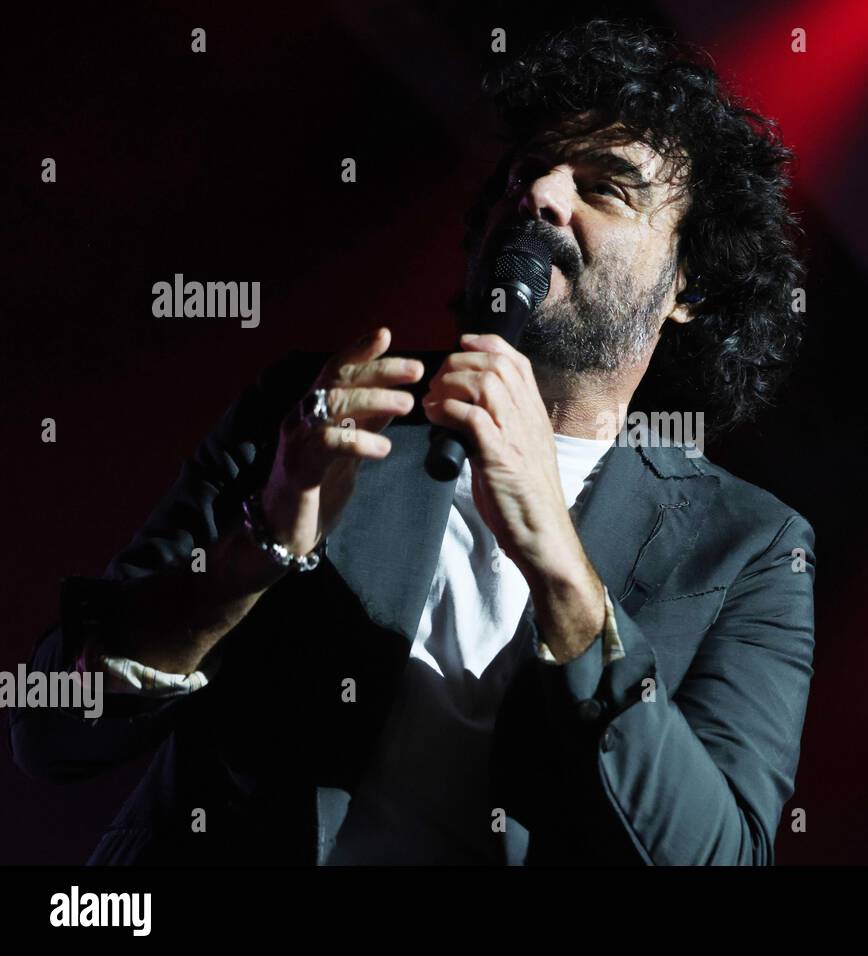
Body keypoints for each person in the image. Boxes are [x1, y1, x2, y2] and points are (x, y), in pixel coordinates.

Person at [9, 18, 815, 865]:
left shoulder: (751, 548)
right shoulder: (319, 411)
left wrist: (564, 573)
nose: (540, 195)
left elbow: (720, 854)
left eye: (604, 186)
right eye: (526, 171)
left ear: (689, 284)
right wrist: (261, 545)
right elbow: (51, 728)